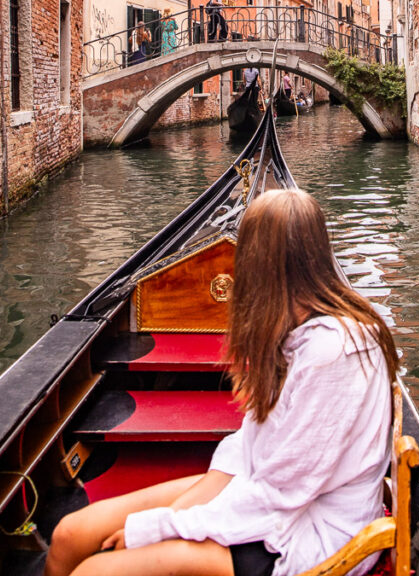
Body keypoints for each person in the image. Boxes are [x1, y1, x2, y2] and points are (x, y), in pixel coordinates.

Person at [44, 188, 397, 576]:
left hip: (306, 536)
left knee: (92, 573)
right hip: (264, 494)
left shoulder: (333, 354)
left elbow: (281, 496)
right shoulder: (292, 327)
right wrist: (181, 511)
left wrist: (158, 528)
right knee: (69, 535)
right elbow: (252, 443)